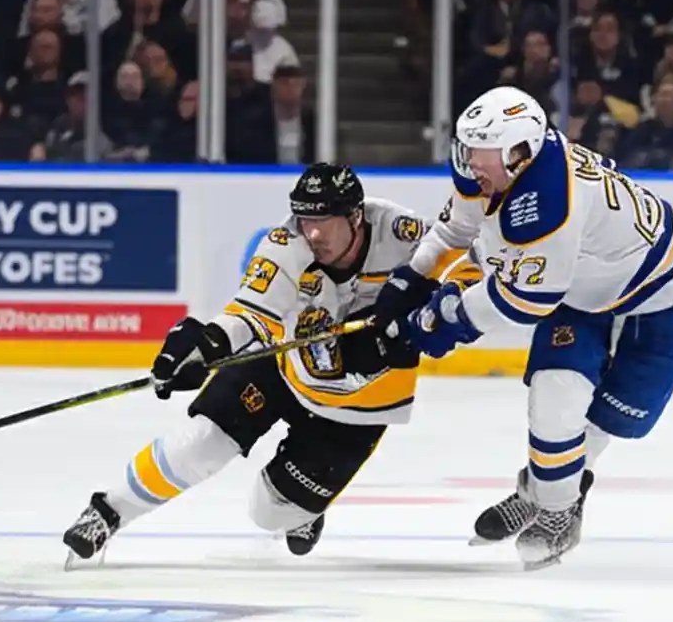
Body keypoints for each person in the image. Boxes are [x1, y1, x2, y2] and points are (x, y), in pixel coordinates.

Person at [62, 164, 466, 565]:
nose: (313, 233)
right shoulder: (286, 244)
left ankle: (301, 513)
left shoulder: (404, 235)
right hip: (283, 365)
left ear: (355, 216)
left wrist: (432, 316)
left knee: (270, 512)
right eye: (306, 219)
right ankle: (109, 511)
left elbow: (468, 266)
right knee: (201, 441)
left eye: (323, 220)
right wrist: (206, 345)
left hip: (360, 404)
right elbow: (250, 313)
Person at [375, 86, 673, 570]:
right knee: (555, 399)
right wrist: (409, 278)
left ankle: (544, 493)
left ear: (519, 152)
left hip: (663, 295)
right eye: (468, 147)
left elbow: (523, 298)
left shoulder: (550, 200)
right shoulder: (494, 169)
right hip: (579, 288)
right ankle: (556, 511)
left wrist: (441, 321)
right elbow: (455, 231)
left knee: (606, 421)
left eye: (483, 151)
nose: (471, 162)